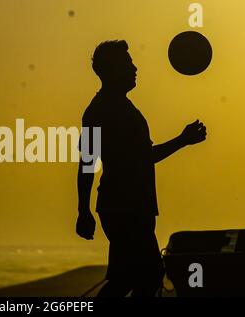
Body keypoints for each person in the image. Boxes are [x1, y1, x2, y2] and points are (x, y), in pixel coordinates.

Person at [76, 40, 207, 297]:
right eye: (128, 64)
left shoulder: (119, 108)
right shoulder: (102, 110)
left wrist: (85, 210)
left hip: (131, 207)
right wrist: (182, 140)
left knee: (128, 278)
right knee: (146, 276)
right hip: (125, 209)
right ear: (113, 70)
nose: (135, 68)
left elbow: (138, 158)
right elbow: (89, 163)